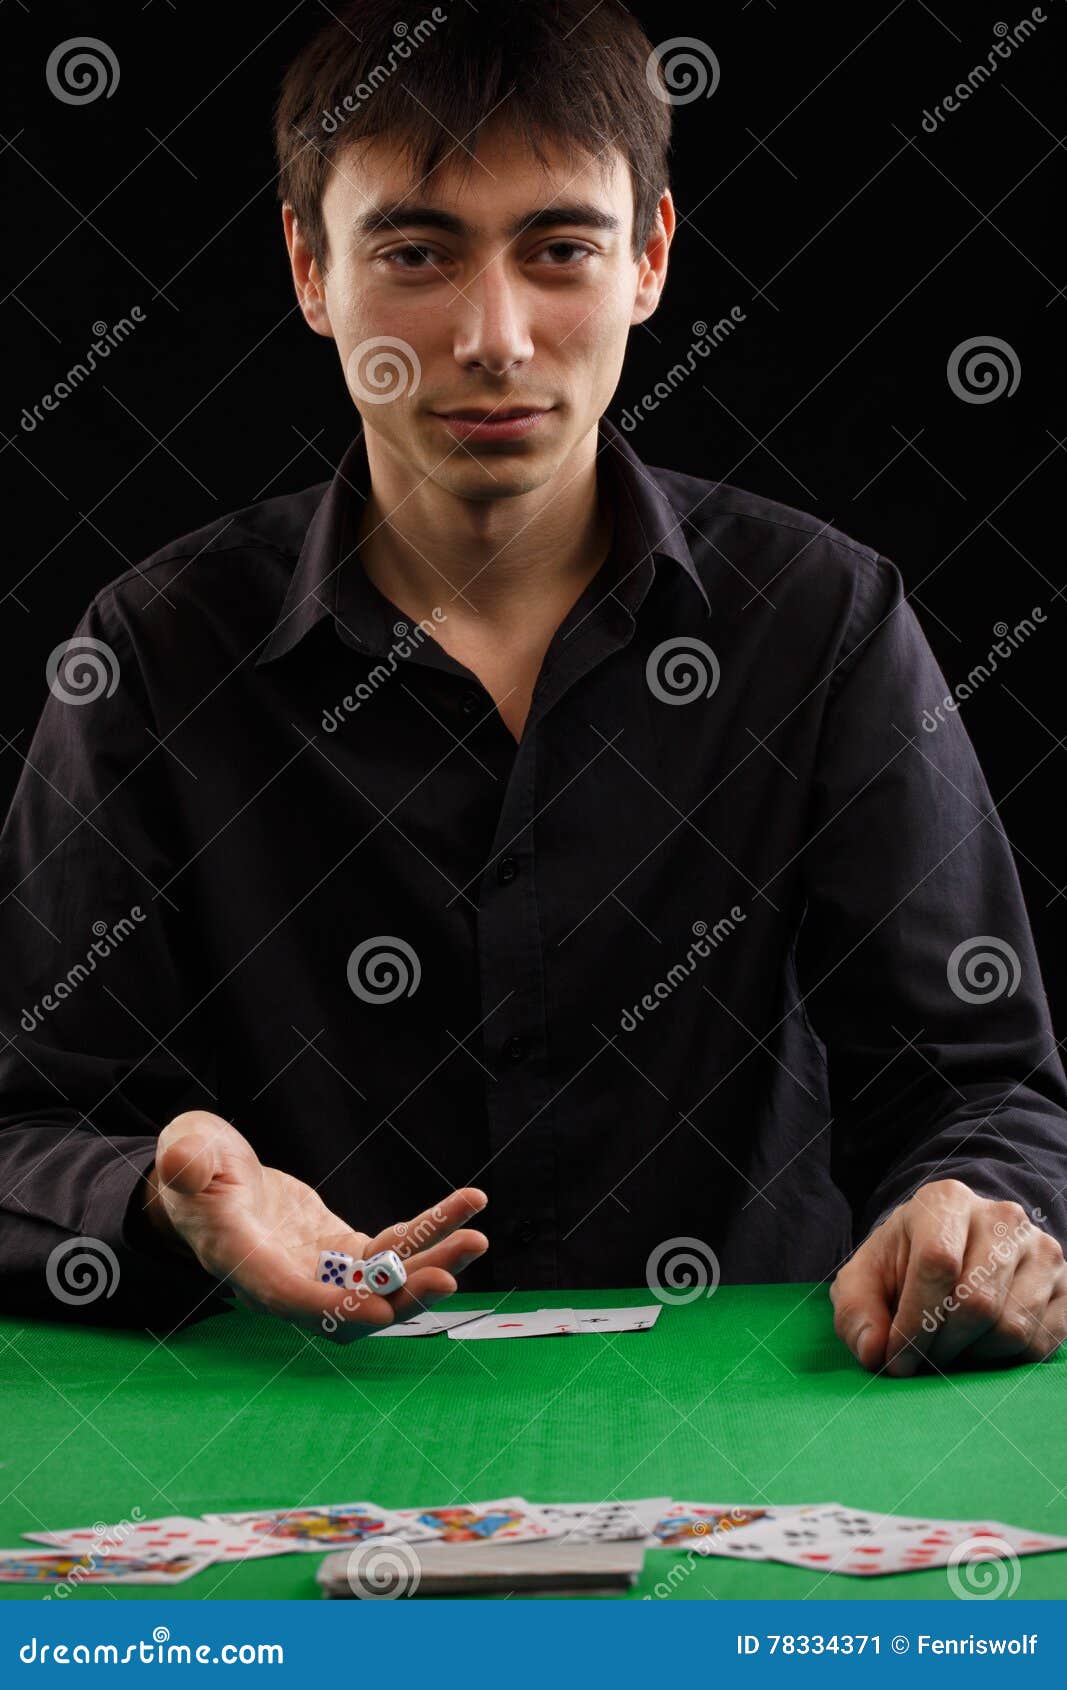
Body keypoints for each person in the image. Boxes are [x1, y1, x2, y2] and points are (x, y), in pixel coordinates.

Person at [2, 0, 1065, 1373]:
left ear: (650, 258)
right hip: (292, 1434)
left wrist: (974, 1218)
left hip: (756, 1441)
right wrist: (162, 1195)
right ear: (309, 270)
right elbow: (23, 1129)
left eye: (558, 248)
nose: (494, 337)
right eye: (415, 253)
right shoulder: (153, 654)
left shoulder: (824, 621)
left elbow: (986, 1096)